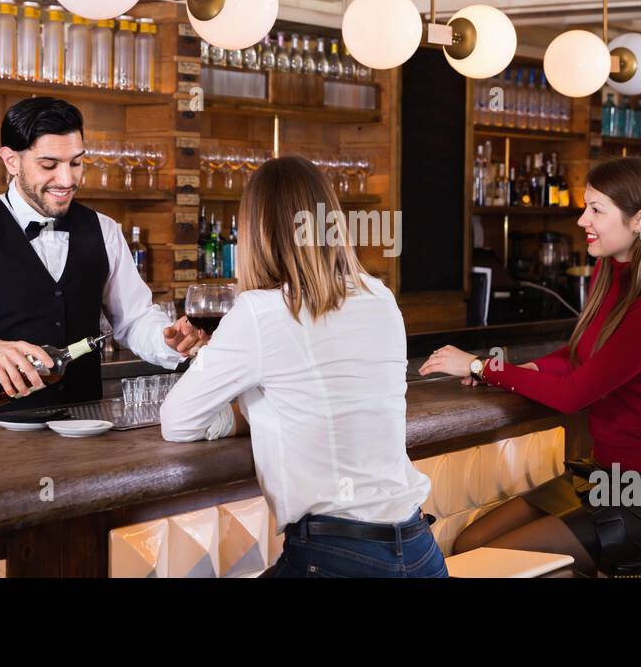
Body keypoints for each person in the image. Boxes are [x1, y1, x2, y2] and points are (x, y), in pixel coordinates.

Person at [157, 156, 444, 578]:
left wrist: (214, 362)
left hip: (335, 557)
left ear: (256, 231)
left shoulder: (260, 310)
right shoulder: (380, 296)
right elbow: (311, 391)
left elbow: (176, 421)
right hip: (419, 552)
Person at [420, 157, 641, 577]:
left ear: (640, 219)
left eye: (596, 209)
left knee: (489, 568)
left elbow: (575, 395)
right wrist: (530, 368)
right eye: (586, 206)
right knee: (470, 544)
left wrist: (481, 366)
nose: (582, 219)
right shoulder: (608, 271)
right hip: (606, 478)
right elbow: (578, 356)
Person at [0, 97, 204, 423]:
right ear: (11, 160)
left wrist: (169, 340)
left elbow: (135, 319)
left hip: (85, 428)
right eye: (49, 165)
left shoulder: (105, 230)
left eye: (76, 163)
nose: (67, 180)